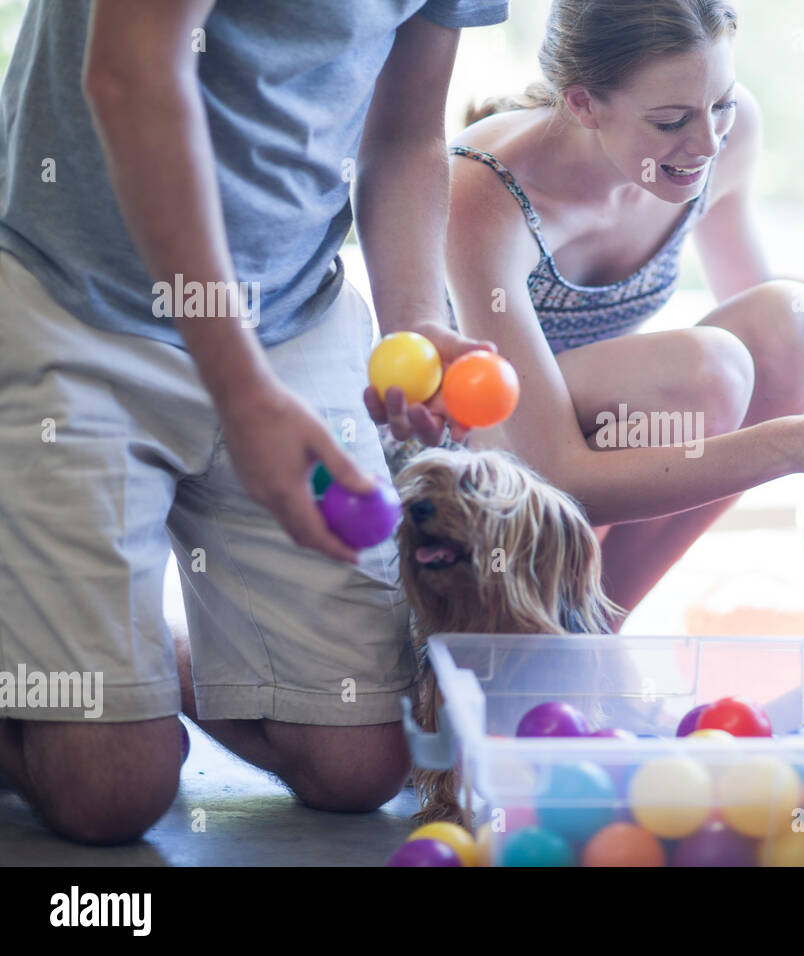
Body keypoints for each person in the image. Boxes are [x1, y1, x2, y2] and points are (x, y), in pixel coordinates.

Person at [0, 0, 506, 845]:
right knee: (112, 795)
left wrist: (414, 320)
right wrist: (246, 397)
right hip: (72, 302)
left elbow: (407, 134)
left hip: (291, 314)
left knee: (360, 763)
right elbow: (128, 73)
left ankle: (118, 665)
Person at [369, 0, 804, 624]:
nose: (706, 142)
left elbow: (761, 295)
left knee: (797, 323)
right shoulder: (486, 192)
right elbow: (560, 470)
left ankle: (595, 622)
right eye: (671, 120)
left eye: (721, 103)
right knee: (707, 371)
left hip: (614, 434)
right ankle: (574, 626)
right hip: (488, 456)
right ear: (584, 103)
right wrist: (798, 446)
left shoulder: (724, 134)